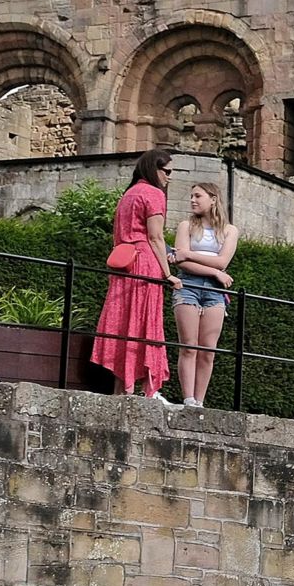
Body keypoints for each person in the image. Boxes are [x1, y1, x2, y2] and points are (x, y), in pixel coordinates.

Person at [91, 148, 175, 405]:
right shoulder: (153, 194)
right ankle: (148, 390)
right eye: (167, 171)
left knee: (126, 322)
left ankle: (122, 388)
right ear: (155, 169)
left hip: (123, 262)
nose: (169, 177)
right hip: (144, 263)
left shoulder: (128, 195)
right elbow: (155, 237)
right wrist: (168, 273)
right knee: (145, 321)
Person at [169, 182, 238, 409]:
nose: (192, 200)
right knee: (189, 345)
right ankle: (188, 399)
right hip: (188, 285)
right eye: (191, 196)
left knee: (208, 350)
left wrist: (189, 253)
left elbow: (222, 261)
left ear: (213, 199)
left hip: (214, 292)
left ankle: (199, 401)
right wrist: (215, 272)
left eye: (198, 196)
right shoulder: (185, 226)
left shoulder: (229, 230)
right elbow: (183, 264)